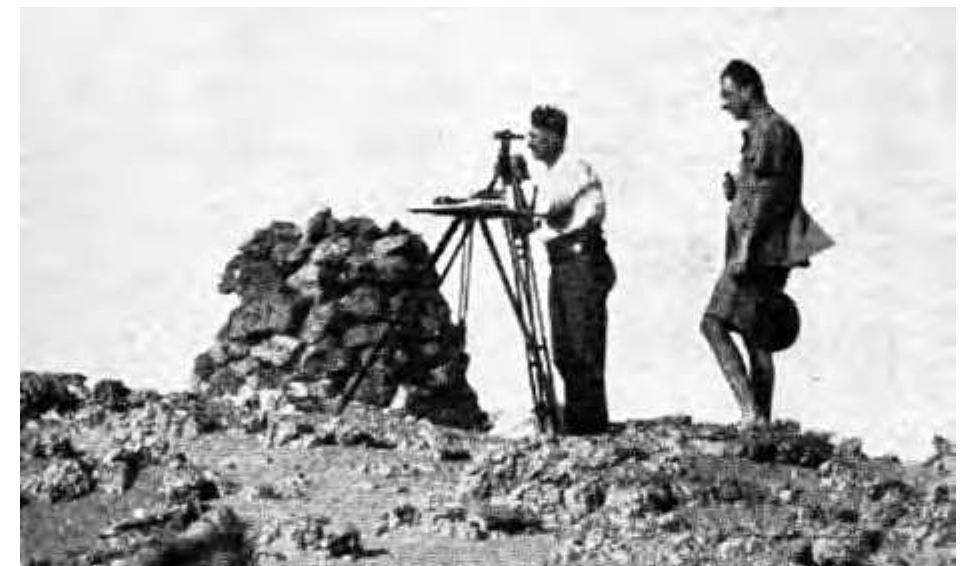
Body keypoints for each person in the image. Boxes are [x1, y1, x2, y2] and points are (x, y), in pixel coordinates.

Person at [701, 60, 833, 429]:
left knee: (714, 323)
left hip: (759, 251)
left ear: (749, 90)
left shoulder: (769, 131)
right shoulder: (770, 131)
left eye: (728, 94)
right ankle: (760, 421)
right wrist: (736, 193)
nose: (724, 103)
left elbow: (766, 198)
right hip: (769, 249)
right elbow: (759, 190)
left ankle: (752, 414)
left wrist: (744, 250)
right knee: (756, 331)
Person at [525, 105, 617, 435]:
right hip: (564, 262)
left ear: (553, 137)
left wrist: (516, 188)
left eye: (535, 137)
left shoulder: (573, 168)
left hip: (582, 262)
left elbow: (549, 205)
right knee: (565, 349)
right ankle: (581, 423)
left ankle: (589, 427)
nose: (529, 143)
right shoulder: (553, 173)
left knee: (582, 348)